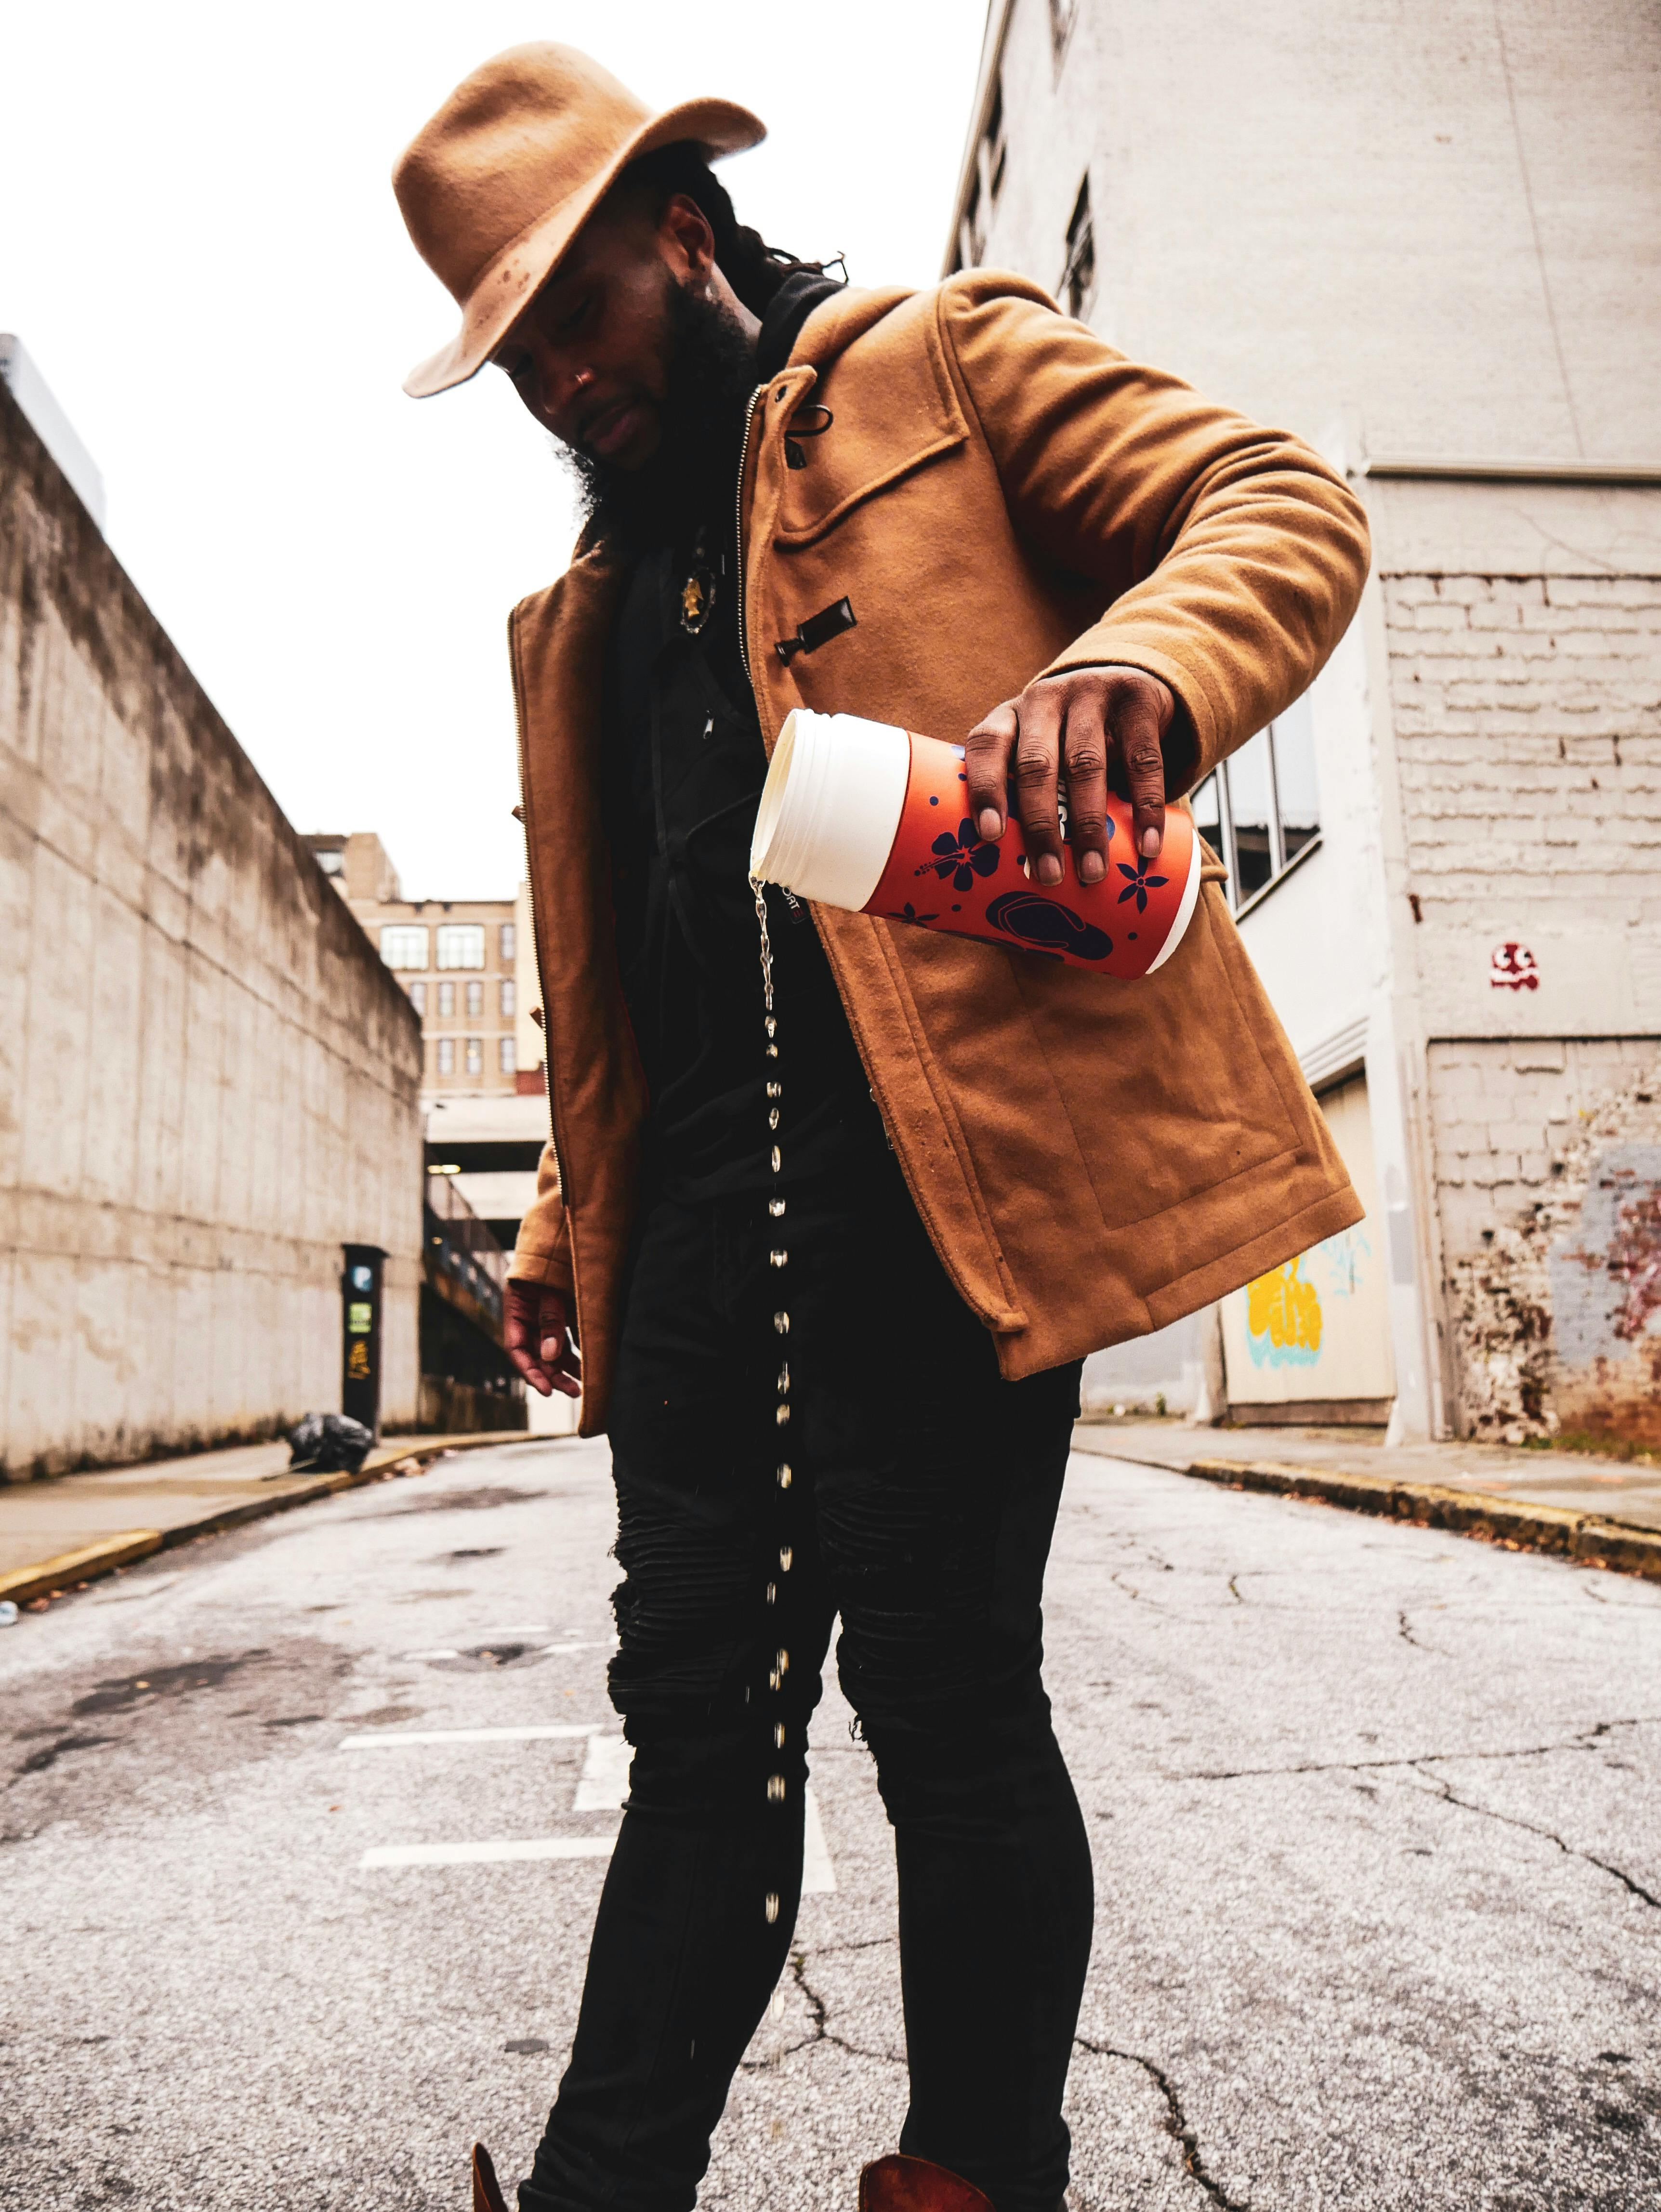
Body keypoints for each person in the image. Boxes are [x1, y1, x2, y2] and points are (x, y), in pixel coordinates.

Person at [393, 42, 1369, 2212]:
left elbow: (1283, 502)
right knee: (696, 1737)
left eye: (568, 309)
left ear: (682, 229)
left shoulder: (940, 365)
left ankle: (972, 2174)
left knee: (944, 1697)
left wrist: (1148, 672)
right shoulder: (585, 625)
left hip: (940, 1202)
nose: (553, 375)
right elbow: (635, 974)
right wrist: (565, 1207)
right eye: (509, 352)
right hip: (703, 1239)